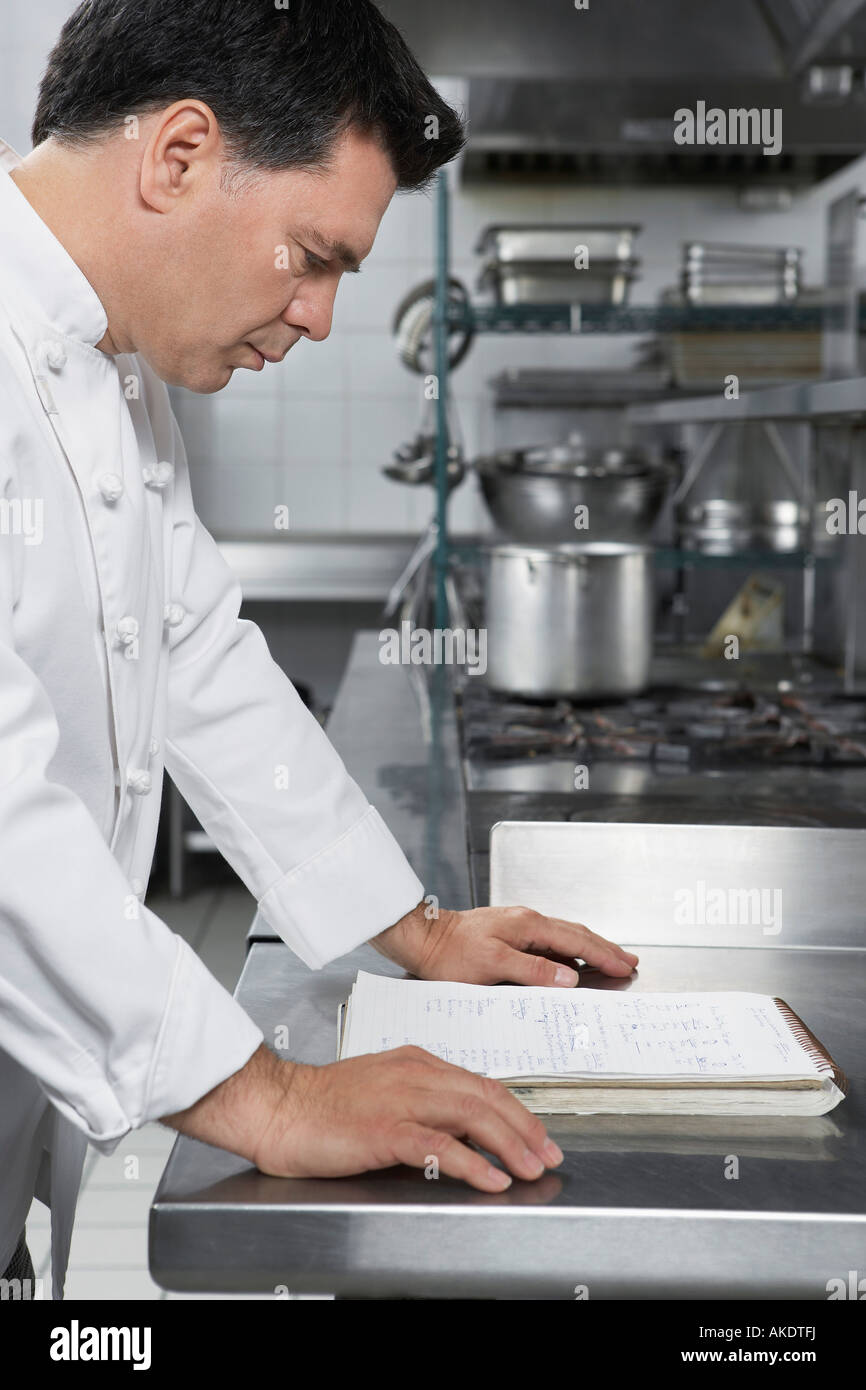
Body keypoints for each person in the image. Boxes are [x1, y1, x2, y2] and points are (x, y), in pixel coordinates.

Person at [0, 0, 639, 1300]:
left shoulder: (109, 367)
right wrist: (272, 1096)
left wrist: (416, 927)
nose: (319, 316)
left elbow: (195, 652)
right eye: (311, 254)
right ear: (178, 154)